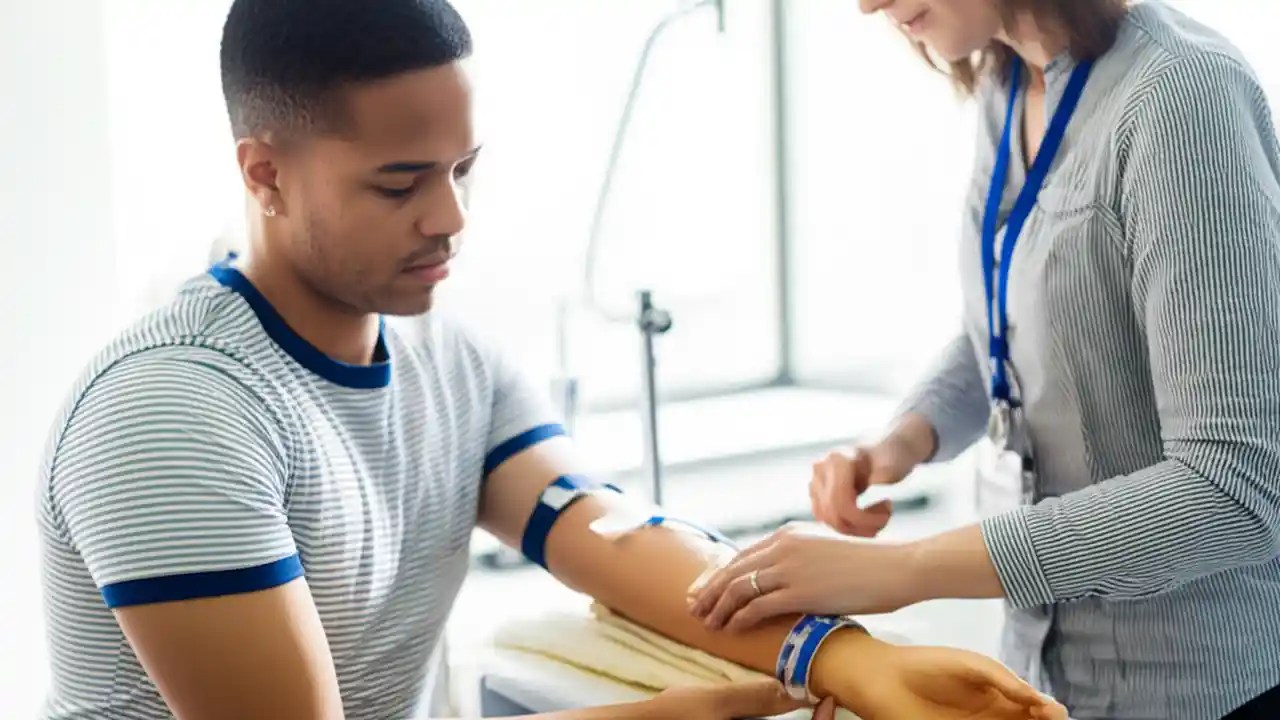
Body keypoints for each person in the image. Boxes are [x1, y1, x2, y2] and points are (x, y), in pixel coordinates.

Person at [33, 1, 1069, 719]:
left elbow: (613, 538)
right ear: (263, 174)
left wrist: (855, 658)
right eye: (399, 187)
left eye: (463, 170)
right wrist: (667, 717)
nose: (450, 218)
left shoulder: (453, 358)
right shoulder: (169, 419)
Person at [689, 0, 1280, 718]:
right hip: (1043, 672)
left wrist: (905, 570)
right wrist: (902, 440)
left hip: (1204, 691)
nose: (865, 3)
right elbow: (1020, 320)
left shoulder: (1182, 99)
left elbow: (1235, 486)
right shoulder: (1009, 81)